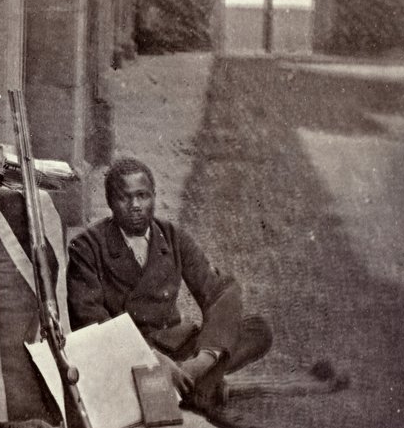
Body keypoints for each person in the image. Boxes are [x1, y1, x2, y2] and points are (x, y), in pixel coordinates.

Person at [67, 157, 272, 410]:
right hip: (127, 351)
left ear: (154, 196)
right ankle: (199, 387)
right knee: (99, 355)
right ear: (110, 201)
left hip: (179, 347)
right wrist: (152, 358)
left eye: (142, 196)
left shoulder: (172, 236)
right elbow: (90, 321)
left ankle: (191, 379)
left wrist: (200, 362)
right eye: (124, 197)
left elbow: (219, 291)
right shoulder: (86, 247)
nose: (135, 206)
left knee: (258, 330)